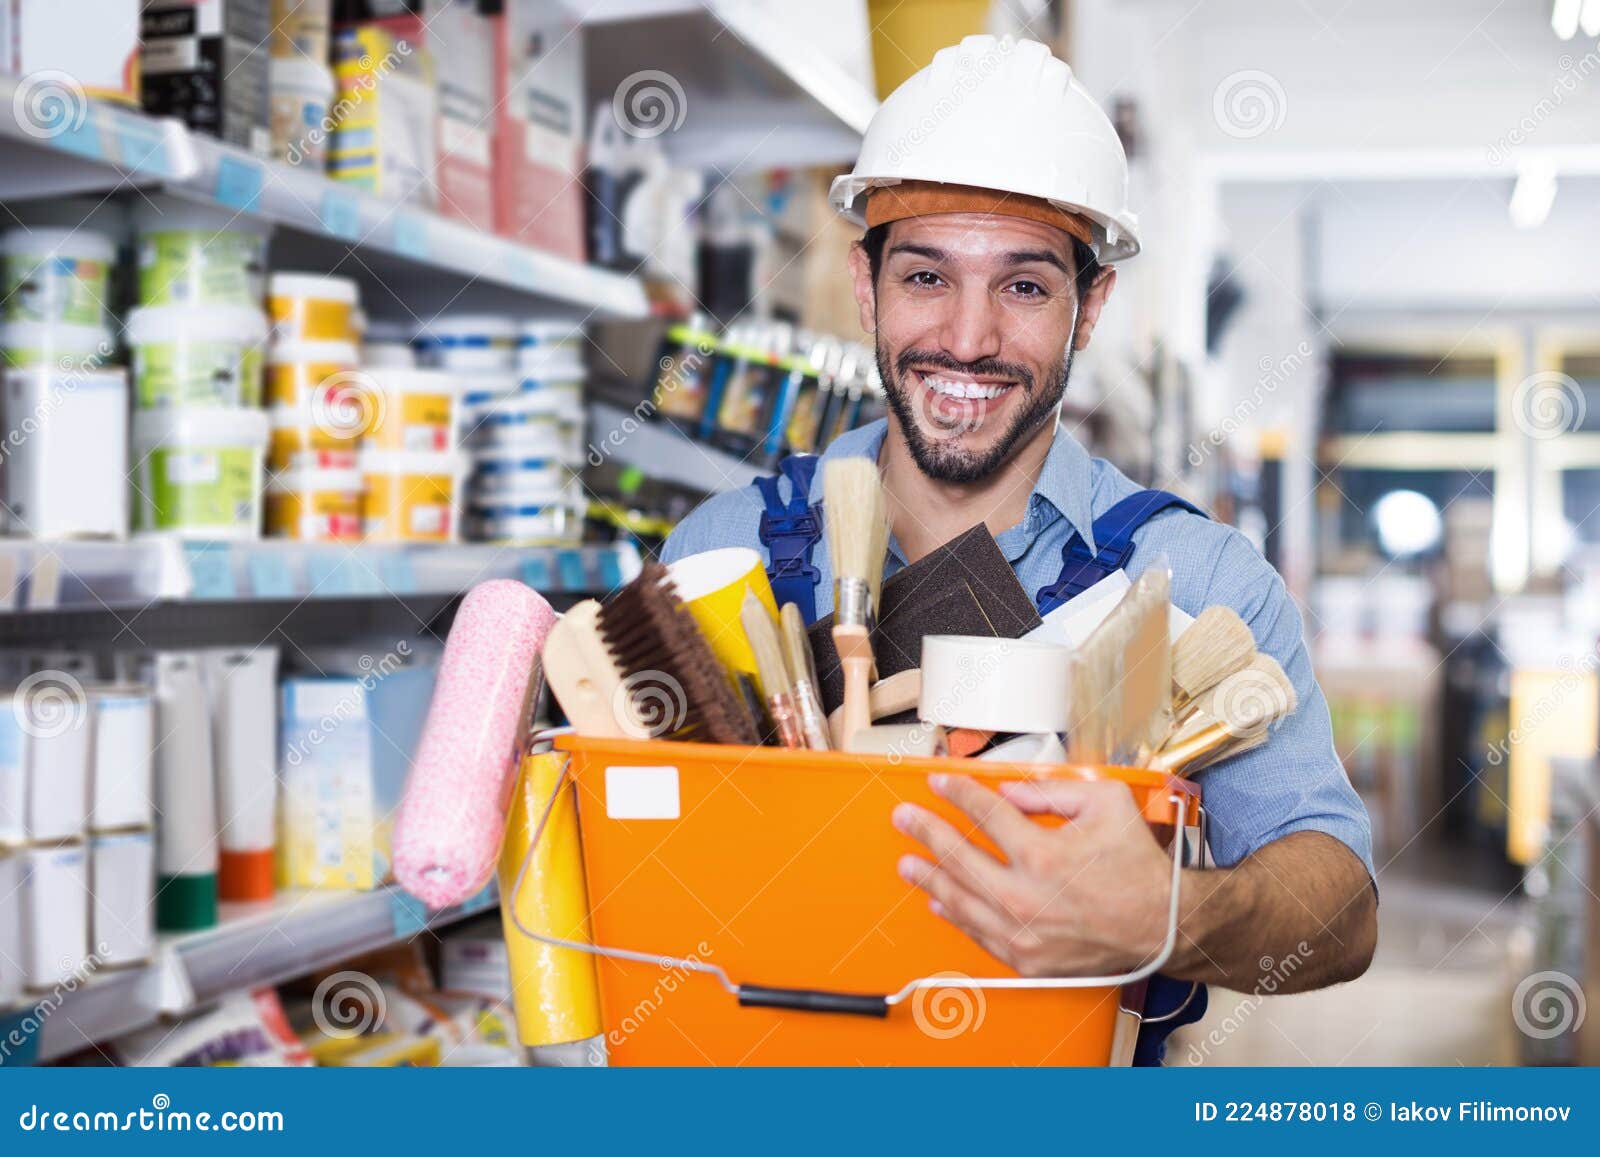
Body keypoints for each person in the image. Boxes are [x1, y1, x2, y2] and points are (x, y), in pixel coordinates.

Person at [661, 34, 1375, 1061]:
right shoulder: (719, 551)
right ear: (865, 285)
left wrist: (1170, 915)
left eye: (1025, 287)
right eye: (925, 275)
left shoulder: (1199, 581)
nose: (968, 337)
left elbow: (1343, 914)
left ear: (1091, 307)